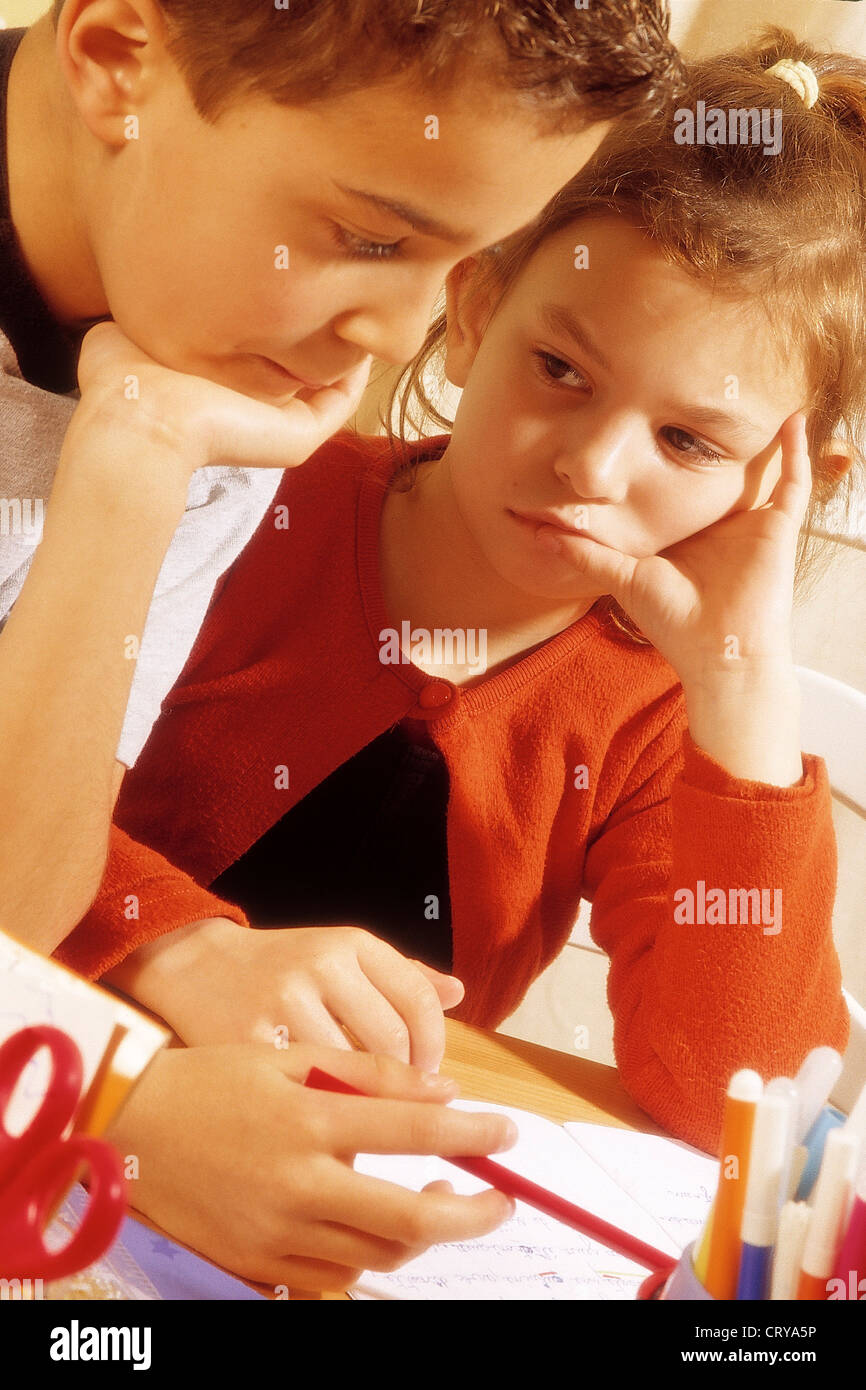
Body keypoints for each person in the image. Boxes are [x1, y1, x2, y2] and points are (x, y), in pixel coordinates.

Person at [0, 0, 681, 1291]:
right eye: (371, 236)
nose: (399, 342)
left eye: (460, 262)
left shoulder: (209, 329)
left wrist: (136, 455)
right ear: (114, 59)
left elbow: (13, 907)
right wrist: (113, 1109)